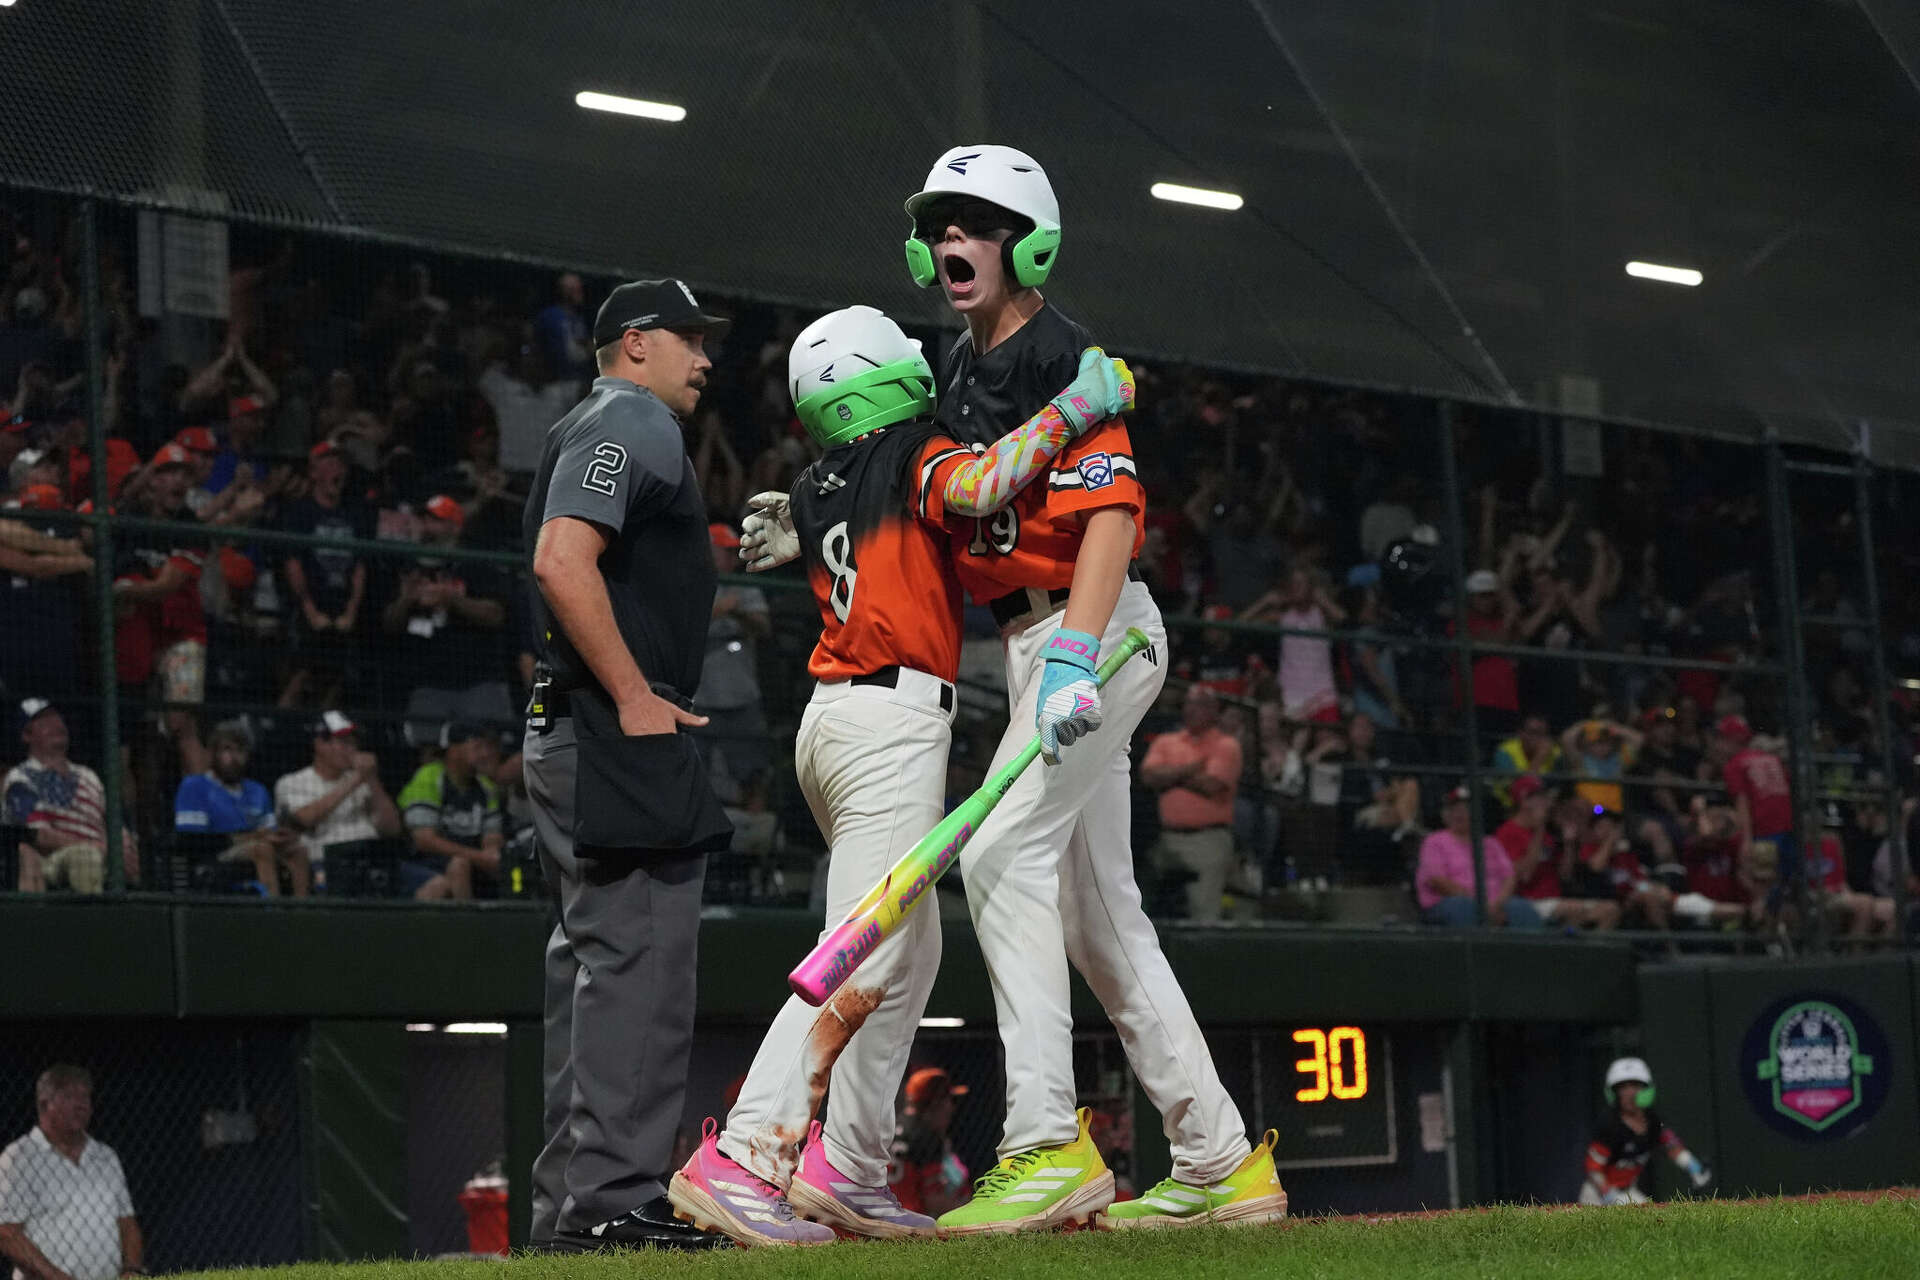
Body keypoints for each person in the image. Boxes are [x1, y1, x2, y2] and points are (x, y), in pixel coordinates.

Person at [670, 304, 1132, 1245]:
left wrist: (799, 522)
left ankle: (852, 1168)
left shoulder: (820, 477)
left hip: (831, 727)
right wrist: (1075, 408)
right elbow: (985, 484)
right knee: (870, 946)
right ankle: (748, 1154)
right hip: (886, 723)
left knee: (909, 953)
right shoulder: (914, 450)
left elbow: (824, 522)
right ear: (883, 376)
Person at [900, 145, 1283, 1234]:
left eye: (978, 223)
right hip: (1038, 640)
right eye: (942, 225)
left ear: (1030, 242)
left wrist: (1074, 653)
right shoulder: (959, 362)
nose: (954, 242)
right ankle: (1217, 1160)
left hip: (1093, 629)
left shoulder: (1064, 351)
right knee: (1102, 920)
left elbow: (1111, 508)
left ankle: (1045, 1143)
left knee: (996, 854)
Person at [521, 279, 734, 1253]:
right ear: (634, 343)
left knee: (594, 970)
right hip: (613, 733)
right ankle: (613, 1199)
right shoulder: (634, 415)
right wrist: (636, 694)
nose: (705, 356)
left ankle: (573, 1212)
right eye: (689, 337)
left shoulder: (603, 421)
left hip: (574, 725)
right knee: (639, 967)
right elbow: (563, 559)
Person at [0, 1066, 141, 1280]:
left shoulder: (105, 1156)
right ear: (45, 1104)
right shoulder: (19, 1157)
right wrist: (57, 1277)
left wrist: (132, 1270)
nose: (81, 1105)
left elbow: (127, 1222)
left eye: (85, 1097)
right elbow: (6, 1232)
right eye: (69, 1096)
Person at [2, 701, 135, 894]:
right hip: (51, 860)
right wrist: (98, 848)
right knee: (85, 858)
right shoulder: (20, 777)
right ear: (26, 734)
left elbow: (114, 822)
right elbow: (37, 836)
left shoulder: (88, 776)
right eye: (44, 720)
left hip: (103, 855)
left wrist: (125, 849)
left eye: (57, 716)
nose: (56, 723)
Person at [1139, 685, 1241, 922]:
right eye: (1190, 703)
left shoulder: (1226, 745)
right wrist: (1191, 769)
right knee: (1143, 899)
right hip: (1166, 839)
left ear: (1215, 710)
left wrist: (1169, 776)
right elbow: (1148, 777)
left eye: (1202, 704)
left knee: (1203, 911)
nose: (1194, 709)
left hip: (1207, 839)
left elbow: (1211, 786)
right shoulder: (1166, 741)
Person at [273, 711, 403, 897]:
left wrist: (372, 780)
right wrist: (356, 780)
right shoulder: (292, 781)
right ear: (320, 744)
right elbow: (304, 820)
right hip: (327, 866)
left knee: (435, 883)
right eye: (344, 743)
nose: (352, 749)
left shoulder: (365, 781)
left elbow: (392, 829)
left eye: (353, 743)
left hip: (374, 861)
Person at [175, 720, 307, 896]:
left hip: (257, 850)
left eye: (240, 750)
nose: (234, 757)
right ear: (213, 753)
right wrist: (247, 838)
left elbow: (268, 831)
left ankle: (301, 912)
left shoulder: (257, 790)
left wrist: (280, 836)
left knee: (298, 850)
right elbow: (192, 841)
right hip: (214, 858)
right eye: (227, 749)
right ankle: (274, 912)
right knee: (262, 849)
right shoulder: (195, 786)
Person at [690, 523, 771, 802]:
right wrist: (720, 610)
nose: (731, 557)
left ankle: (757, 840)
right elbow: (679, 626)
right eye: (724, 551)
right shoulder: (690, 584)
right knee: (693, 776)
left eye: (732, 552)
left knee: (753, 775)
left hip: (741, 698)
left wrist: (737, 612)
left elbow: (764, 626)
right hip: (700, 698)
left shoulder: (744, 586)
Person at [1493, 776, 1619, 929]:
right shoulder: (1508, 832)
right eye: (1541, 797)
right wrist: (1539, 829)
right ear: (1524, 801)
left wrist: (1569, 845)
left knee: (1609, 911)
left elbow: (1564, 875)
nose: (1547, 802)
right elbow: (1525, 876)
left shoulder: (1546, 834)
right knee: (1608, 910)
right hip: (1528, 902)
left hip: (1555, 900)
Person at [1580, 1057, 1710, 1205]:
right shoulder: (1609, 1125)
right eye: (1622, 1087)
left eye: (1635, 1085)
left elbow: (1672, 1146)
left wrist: (1693, 1166)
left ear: (1646, 1089)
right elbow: (1593, 1169)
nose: (1630, 1093)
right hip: (1597, 1196)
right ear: (1614, 1093)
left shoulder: (1652, 1121)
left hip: (1628, 1192)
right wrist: (1609, 1194)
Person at [397, 723, 503, 901]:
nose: (485, 754)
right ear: (454, 750)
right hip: (425, 863)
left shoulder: (485, 786)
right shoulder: (429, 776)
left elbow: (492, 837)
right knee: (459, 865)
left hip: (473, 864)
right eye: (477, 747)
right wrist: (479, 857)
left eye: (487, 747)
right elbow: (424, 840)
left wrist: (492, 853)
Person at [1416, 786, 1543, 928]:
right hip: (1450, 903)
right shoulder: (1434, 841)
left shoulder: (1491, 843)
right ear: (1446, 814)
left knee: (1522, 908)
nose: (1459, 814)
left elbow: (1509, 876)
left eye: (1465, 809)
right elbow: (1437, 881)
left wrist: (1498, 903)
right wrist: (1481, 904)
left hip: (1494, 904)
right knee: (1462, 907)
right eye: (1454, 809)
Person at [1719, 715, 1796, 905]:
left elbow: (1742, 802)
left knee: (1759, 891)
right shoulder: (1772, 759)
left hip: (1765, 832)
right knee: (1782, 889)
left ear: (1731, 740)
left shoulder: (1735, 764)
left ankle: (1762, 930)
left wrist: (1746, 840)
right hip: (1789, 830)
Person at [889, 1068, 972, 1219]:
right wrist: (969, 1211)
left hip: (886, 1213)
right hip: (914, 1218)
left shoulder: (891, 1127)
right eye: (949, 1100)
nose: (952, 1108)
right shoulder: (926, 1136)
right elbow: (933, 1199)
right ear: (934, 1103)